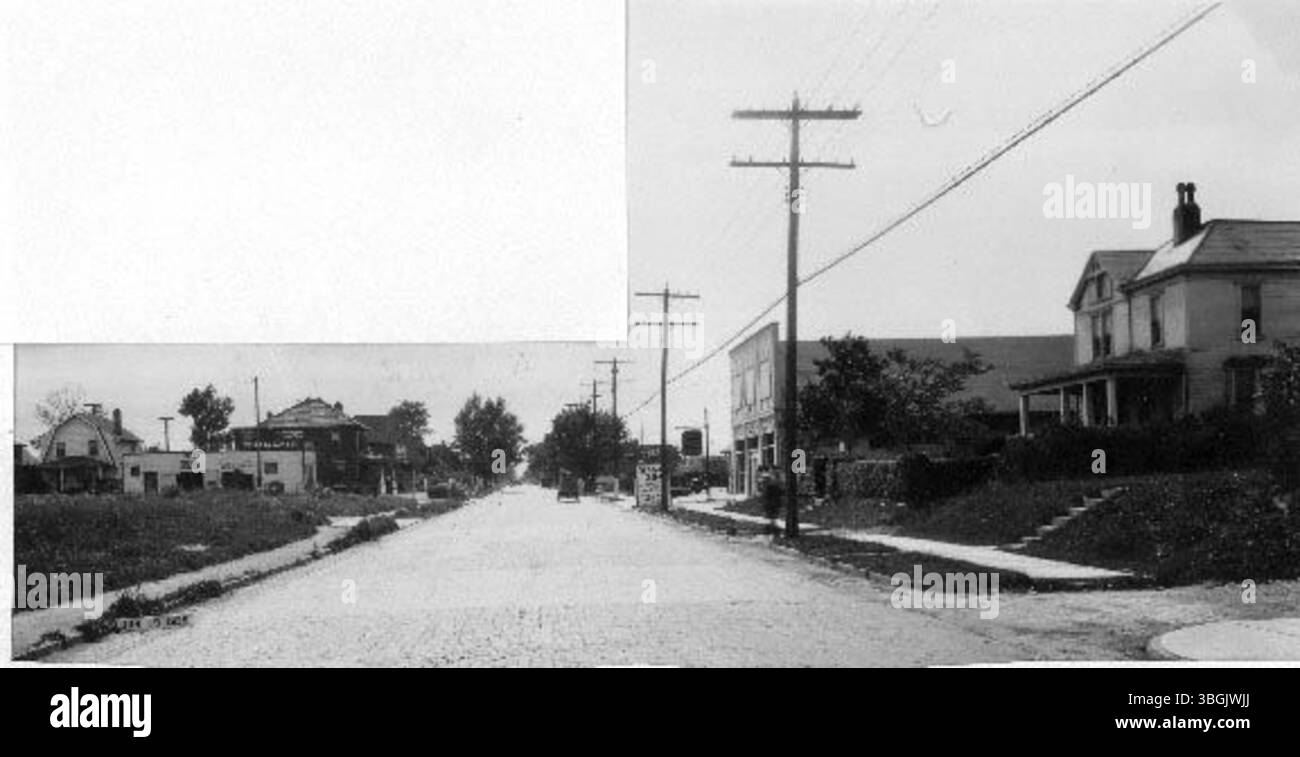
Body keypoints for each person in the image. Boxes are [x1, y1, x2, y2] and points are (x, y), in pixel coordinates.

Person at [760, 465, 782, 535]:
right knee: (772, 515)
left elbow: (766, 492)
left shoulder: (771, 482)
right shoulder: (774, 481)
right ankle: (772, 528)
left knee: (771, 515)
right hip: (772, 501)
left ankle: (771, 528)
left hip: (771, 501)